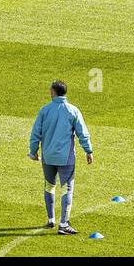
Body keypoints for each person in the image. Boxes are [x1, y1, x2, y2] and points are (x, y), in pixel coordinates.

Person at [27, 80, 94, 236]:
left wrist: (33, 151)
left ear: (53, 92)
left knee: (49, 185)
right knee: (67, 189)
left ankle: (51, 220)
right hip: (66, 158)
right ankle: (64, 224)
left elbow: (35, 133)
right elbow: (82, 133)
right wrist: (88, 150)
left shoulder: (45, 110)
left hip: (47, 156)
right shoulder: (73, 111)